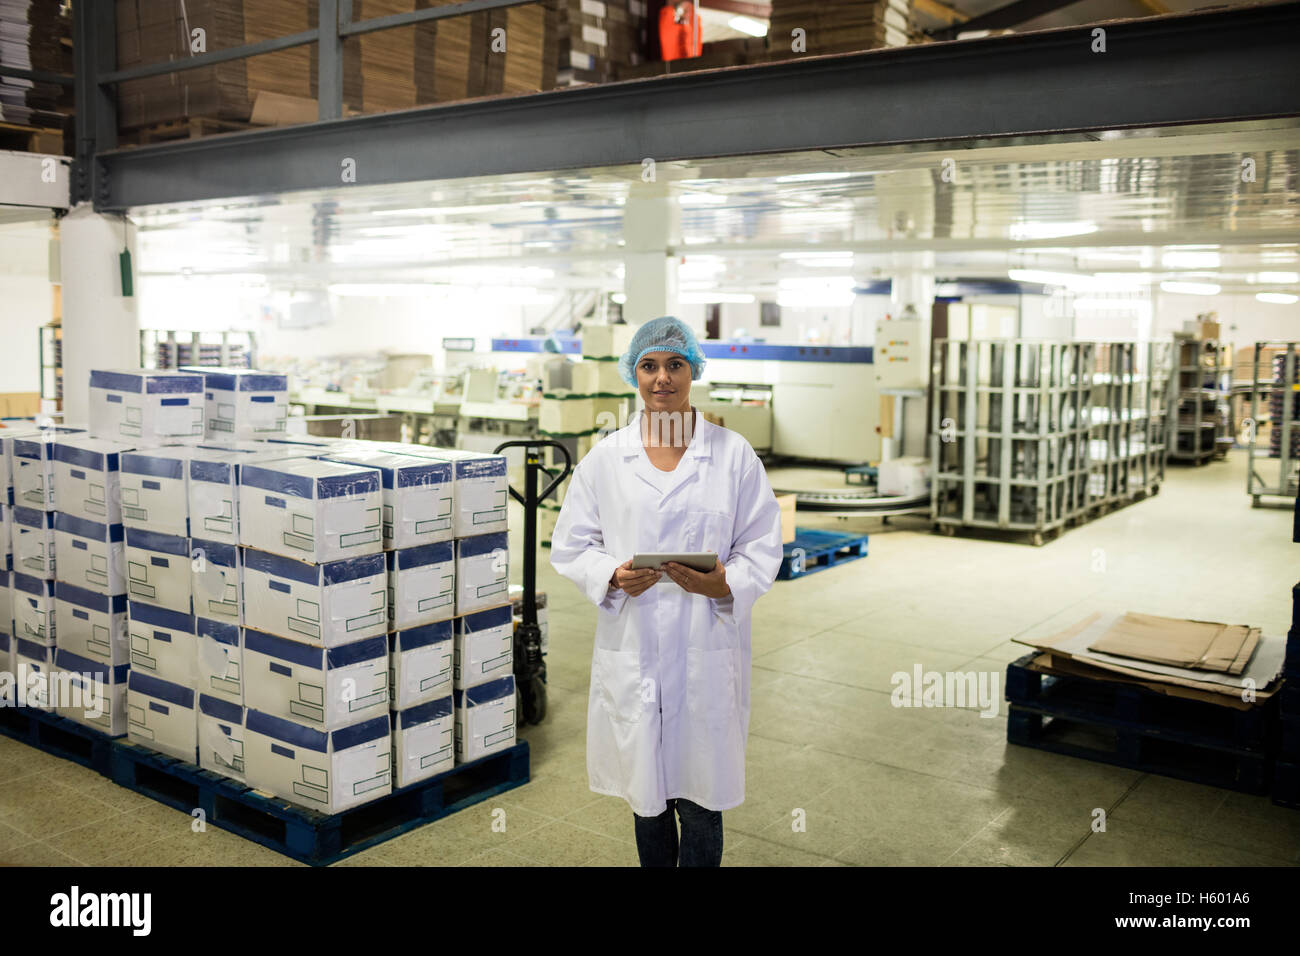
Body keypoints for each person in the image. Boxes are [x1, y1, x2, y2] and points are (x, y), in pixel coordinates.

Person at [549, 315, 784, 866]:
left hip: (706, 644)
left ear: (693, 371)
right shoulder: (607, 459)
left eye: (675, 365)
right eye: (649, 365)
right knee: (646, 796)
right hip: (635, 649)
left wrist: (725, 581)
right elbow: (572, 544)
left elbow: (762, 545)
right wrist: (610, 574)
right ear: (634, 373)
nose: (662, 378)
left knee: (701, 799)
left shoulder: (732, 455)